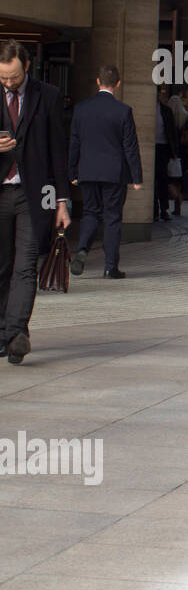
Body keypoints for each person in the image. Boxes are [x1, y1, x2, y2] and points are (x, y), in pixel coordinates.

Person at [0, 40, 72, 364]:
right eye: (3, 78)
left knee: (25, 265)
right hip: (1, 192)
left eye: (14, 77)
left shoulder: (50, 97)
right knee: (1, 266)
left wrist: (62, 201)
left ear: (26, 67)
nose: (9, 84)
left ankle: (16, 334)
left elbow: (59, 151)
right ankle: (3, 333)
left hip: (36, 195)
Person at [68, 65, 143, 279]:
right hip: (114, 173)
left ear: (98, 82)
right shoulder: (123, 111)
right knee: (112, 218)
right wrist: (137, 178)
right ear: (118, 84)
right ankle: (110, 267)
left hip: (88, 170)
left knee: (90, 212)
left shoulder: (81, 109)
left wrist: (72, 171)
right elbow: (130, 146)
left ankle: (82, 248)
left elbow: (74, 142)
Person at [154, 86, 180, 222]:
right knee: (152, 181)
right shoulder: (146, 110)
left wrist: (174, 151)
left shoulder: (166, 111)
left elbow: (172, 132)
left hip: (163, 148)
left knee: (163, 179)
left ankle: (163, 209)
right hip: (151, 148)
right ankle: (154, 210)